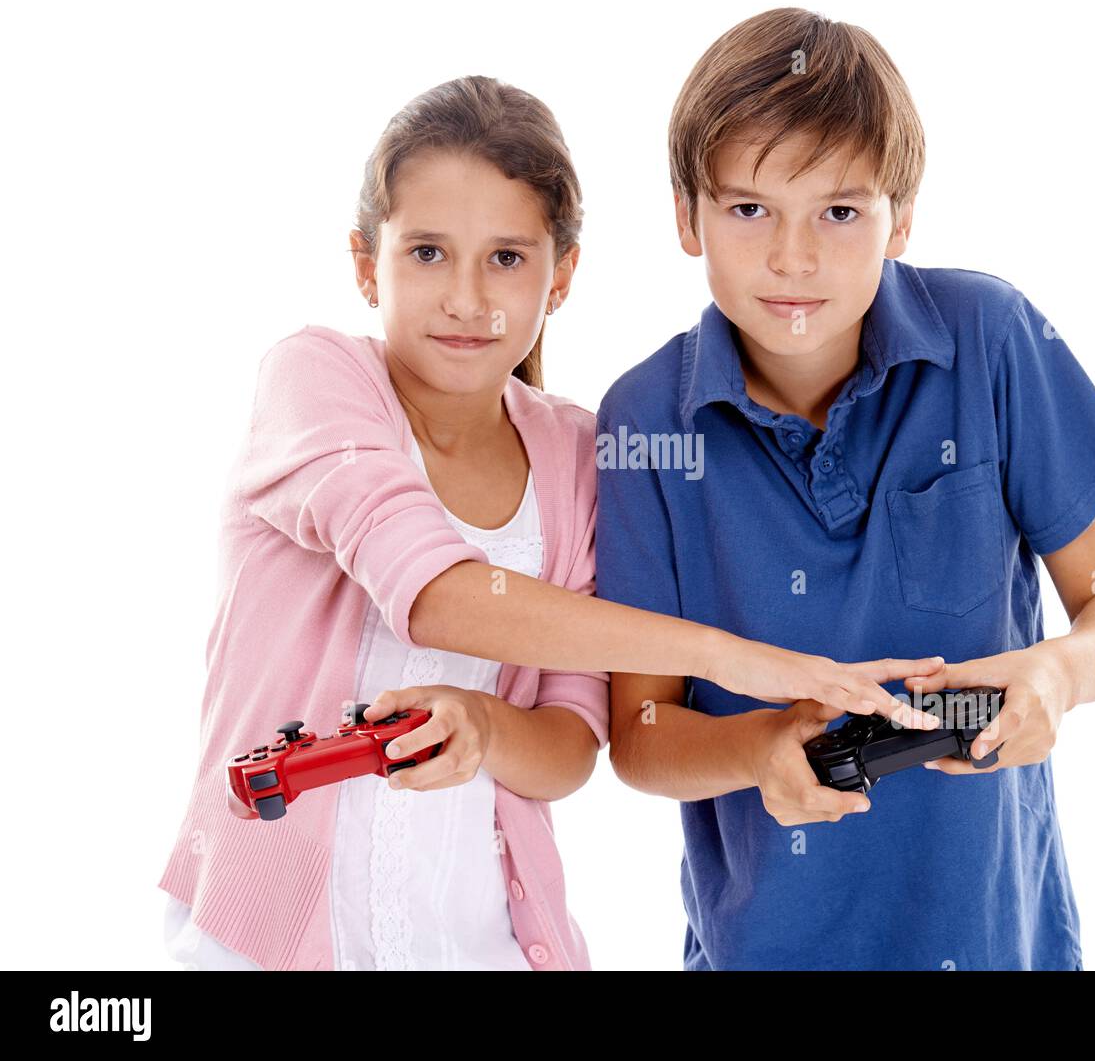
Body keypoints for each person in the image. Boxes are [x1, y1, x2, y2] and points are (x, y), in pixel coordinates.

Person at [157, 74, 944, 971]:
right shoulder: (315, 382)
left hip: (483, 942)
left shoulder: (576, 452)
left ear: (561, 274)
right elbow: (434, 594)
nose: (464, 296)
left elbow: (571, 744)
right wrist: (735, 658)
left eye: (506, 257)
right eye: (425, 253)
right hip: (261, 940)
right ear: (365, 263)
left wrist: (487, 729)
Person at [596, 7, 1095, 970]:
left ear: (902, 217)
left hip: (992, 939)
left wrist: (1059, 674)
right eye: (748, 208)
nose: (794, 257)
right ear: (686, 216)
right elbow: (639, 734)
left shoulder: (991, 337)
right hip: (766, 946)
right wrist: (759, 750)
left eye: (841, 212)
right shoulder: (643, 421)